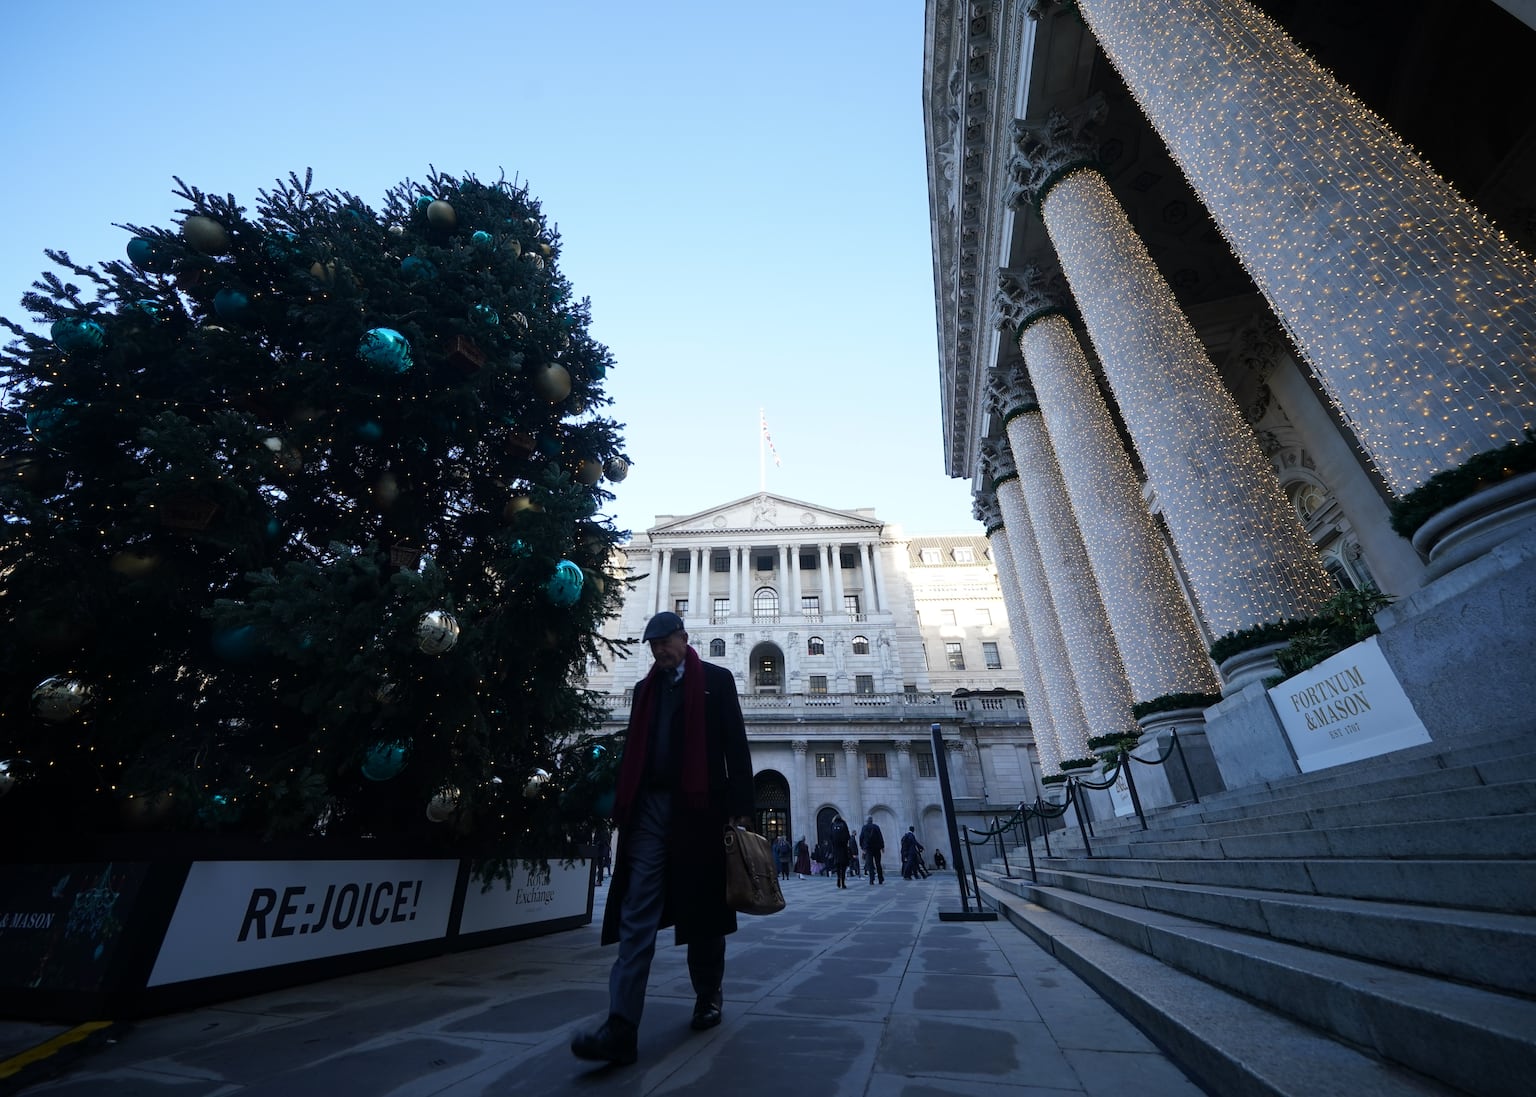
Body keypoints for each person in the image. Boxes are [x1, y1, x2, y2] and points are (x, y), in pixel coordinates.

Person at [570, 611, 754, 1068]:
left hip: (700, 811)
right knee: (637, 913)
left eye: (664, 642)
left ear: (682, 638)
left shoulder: (716, 680)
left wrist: (740, 809)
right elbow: (636, 746)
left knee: (704, 913)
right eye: (652, 645)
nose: (658, 651)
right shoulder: (643, 690)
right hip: (651, 810)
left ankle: (708, 994)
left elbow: (736, 745)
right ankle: (621, 1026)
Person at [859, 815, 885, 885]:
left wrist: (862, 847)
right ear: (872, 820)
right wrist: (882, 847)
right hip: (876, 848)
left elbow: (861, 838)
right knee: (878, 863)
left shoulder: (864, 827)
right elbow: (880, 837)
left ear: (867, 821)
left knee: (870, 864)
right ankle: (880, 879)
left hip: (868, 848)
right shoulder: (876, 827)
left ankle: (871, 880)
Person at [828, 815, 852, 888]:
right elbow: (848, 836)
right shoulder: (843, 824)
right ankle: (843, 882)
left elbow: (830, 836)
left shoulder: (832, 825)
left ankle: (838, 879)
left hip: (836, 849)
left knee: (838, 865)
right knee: (843, 866)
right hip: (843, 849)